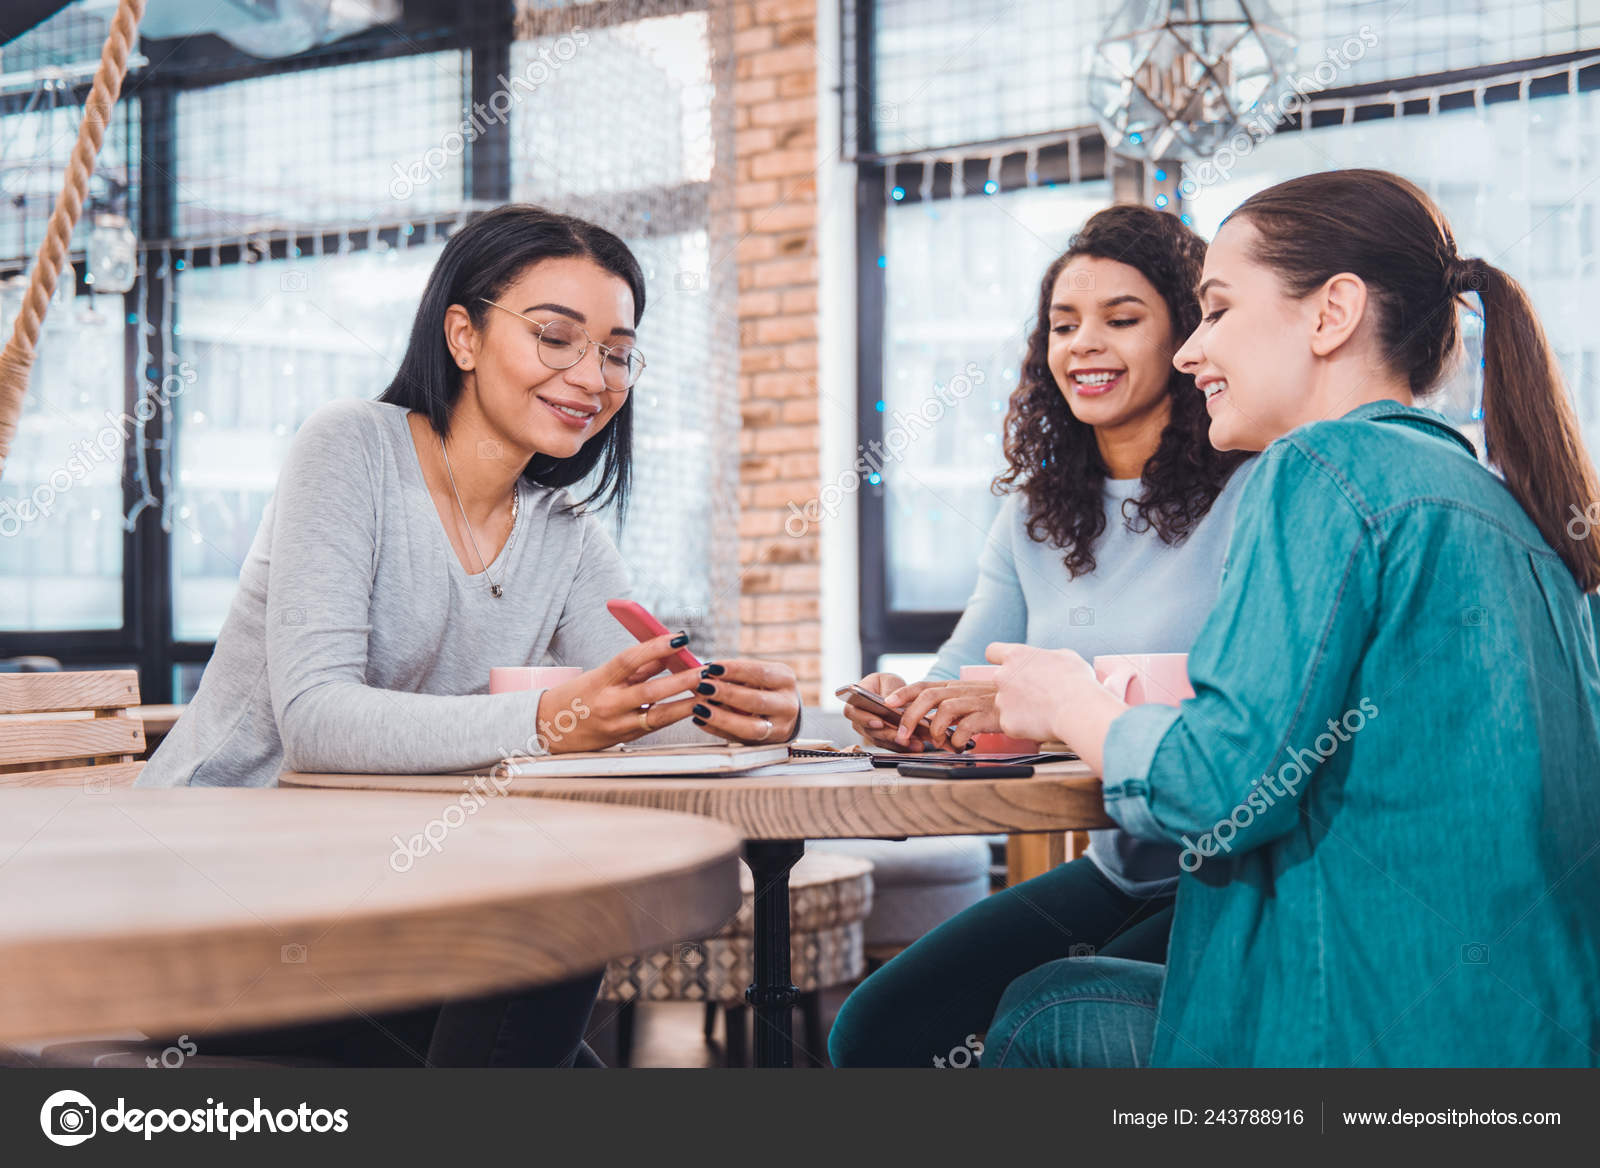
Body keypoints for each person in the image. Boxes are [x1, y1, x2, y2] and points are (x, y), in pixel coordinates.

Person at [138, 204, 801, 1065]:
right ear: (463, 335)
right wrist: (556, 719)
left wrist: (740, 709)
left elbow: (645, 704)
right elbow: (316, 718)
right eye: (556, 338)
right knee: (557, 922)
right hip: (212, 912)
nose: (592, 375)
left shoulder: (565, 531)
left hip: (378, 909)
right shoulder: (351, 450)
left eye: (616, 352)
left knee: (554, 966)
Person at [984, 169, 1600, 1068]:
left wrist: (1069, 699)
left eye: (1219, 311)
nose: (1192, 352)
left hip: (1360, 1047)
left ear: (1331, 314)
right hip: (1514, 1045)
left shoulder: (1321, 466)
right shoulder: (1508, 504)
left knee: (1043, 1010)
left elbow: (1218, 791)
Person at [829, 204, 1250, 1067]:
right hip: (1119, 867)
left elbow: (1235, 700)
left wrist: (1051, 697)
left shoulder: (1257, 489)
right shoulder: (1035, 513)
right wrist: (907, 706)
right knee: (875, 1033)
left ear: (1187, 338)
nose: (1083, 344)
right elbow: (966, 676)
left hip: (1230, 875)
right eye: (1064, 324)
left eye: (1121, 320)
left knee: (1033, 1021)